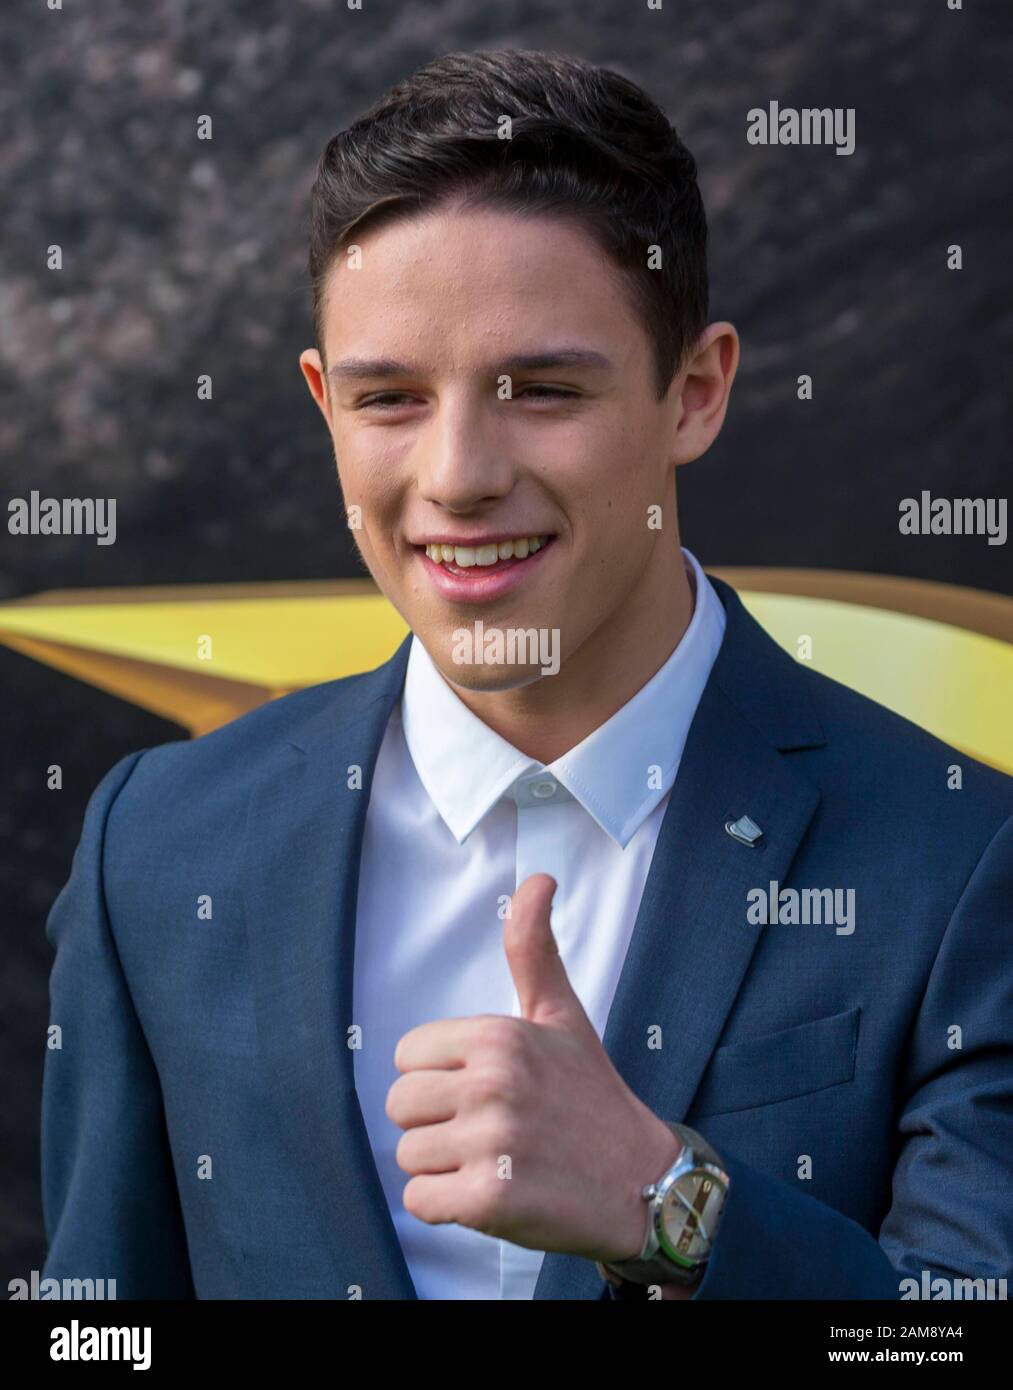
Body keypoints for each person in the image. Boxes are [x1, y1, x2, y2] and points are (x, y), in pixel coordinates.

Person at [41, 48, 1013, 1301]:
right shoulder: (157, 845)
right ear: (322, 404)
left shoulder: (957, 860)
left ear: (694, 392)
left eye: (541, 390)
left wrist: (668, 1203)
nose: (457, 476)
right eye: (390, 399)